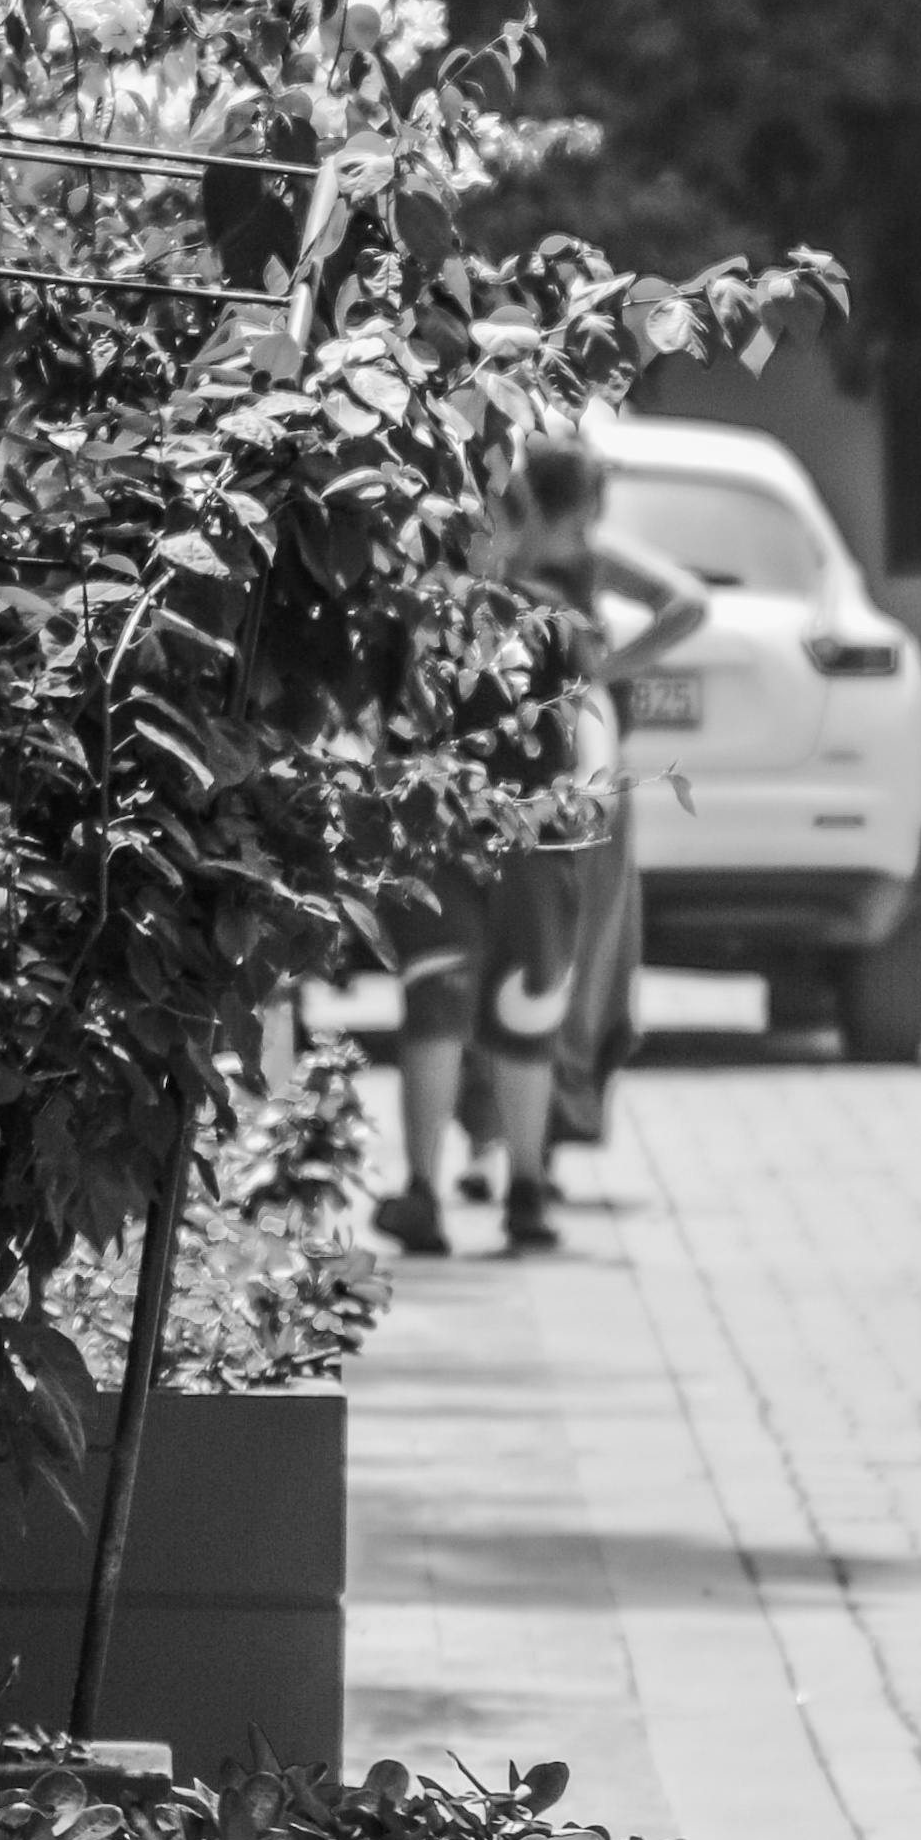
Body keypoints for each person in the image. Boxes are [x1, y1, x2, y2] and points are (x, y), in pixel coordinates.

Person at [376, 435, 702, 1260]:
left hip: (492, 839)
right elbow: (383, 725)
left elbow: (585, 708)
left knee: (492, 1007)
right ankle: (464, 1187)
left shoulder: (488, 621)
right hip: (481, 838)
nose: (481, 539)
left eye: (490, 522)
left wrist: (585, 793)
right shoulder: (453, 619)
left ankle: (497, 1185)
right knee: (473, 1003)